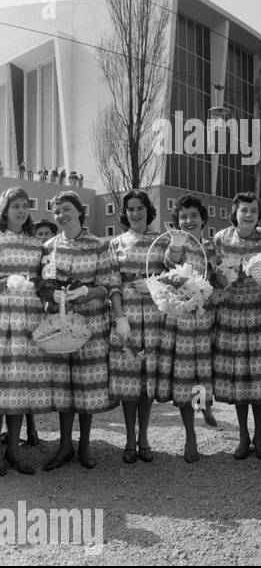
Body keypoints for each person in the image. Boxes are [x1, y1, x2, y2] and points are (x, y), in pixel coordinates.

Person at [39, 191, 119, 470]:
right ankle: (64, 446)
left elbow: (108, 283)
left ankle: (84, 445)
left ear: (79, 211)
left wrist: (87, 291)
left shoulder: (98, 244)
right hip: (62, 324)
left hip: (92, 323)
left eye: (66, 209)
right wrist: (51, 296)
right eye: (57, 211)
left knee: (86, 384)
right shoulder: (49, 246)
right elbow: (44, 285)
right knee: (64, 385)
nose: (62, 215)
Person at [212, 193, 261, 460]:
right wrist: (223, 276)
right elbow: (214, 278)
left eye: (253, 210)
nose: (248, 215)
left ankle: (260, 435)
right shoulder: (221, 239)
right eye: (244, 210)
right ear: (235, 213)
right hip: (232, 314)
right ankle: (242, 436)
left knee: (258, 378)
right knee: (239, 378)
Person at [155, 195, 218, 463]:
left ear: (202, 219)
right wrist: (176, 246)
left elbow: (217, 278)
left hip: (204, 319)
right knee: (184, 376)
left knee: (201, 373)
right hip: (180, 318)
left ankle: (203, 406)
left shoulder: (212, 248)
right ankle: (190, 435)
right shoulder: (175, 244)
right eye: (183, 216)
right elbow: (171, 260)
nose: (188, 221)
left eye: (193, 216)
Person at [107, 190, 165, 464]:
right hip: (127, 316)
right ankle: (130, 437)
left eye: (139, 208)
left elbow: (171, 278)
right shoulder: (116, 243)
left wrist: (154, 283)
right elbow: (112, 283)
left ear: (148, 210)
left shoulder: (160, 242)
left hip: (153, 317)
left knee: (146, 381)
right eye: (130, 209)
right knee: (130, 380)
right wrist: (120, 319)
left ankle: (144, 437)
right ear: (125, 213)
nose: (135, 213)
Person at [0, 188, 47, 475]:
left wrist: (36, 283)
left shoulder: (35, 244)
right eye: (14, 205)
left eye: (24, 206)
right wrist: (6, 280)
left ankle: (14, 449)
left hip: (26, 319)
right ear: (4, 210)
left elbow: (43, 280)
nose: (20, 210)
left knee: (17, 383)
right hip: (1, 314)